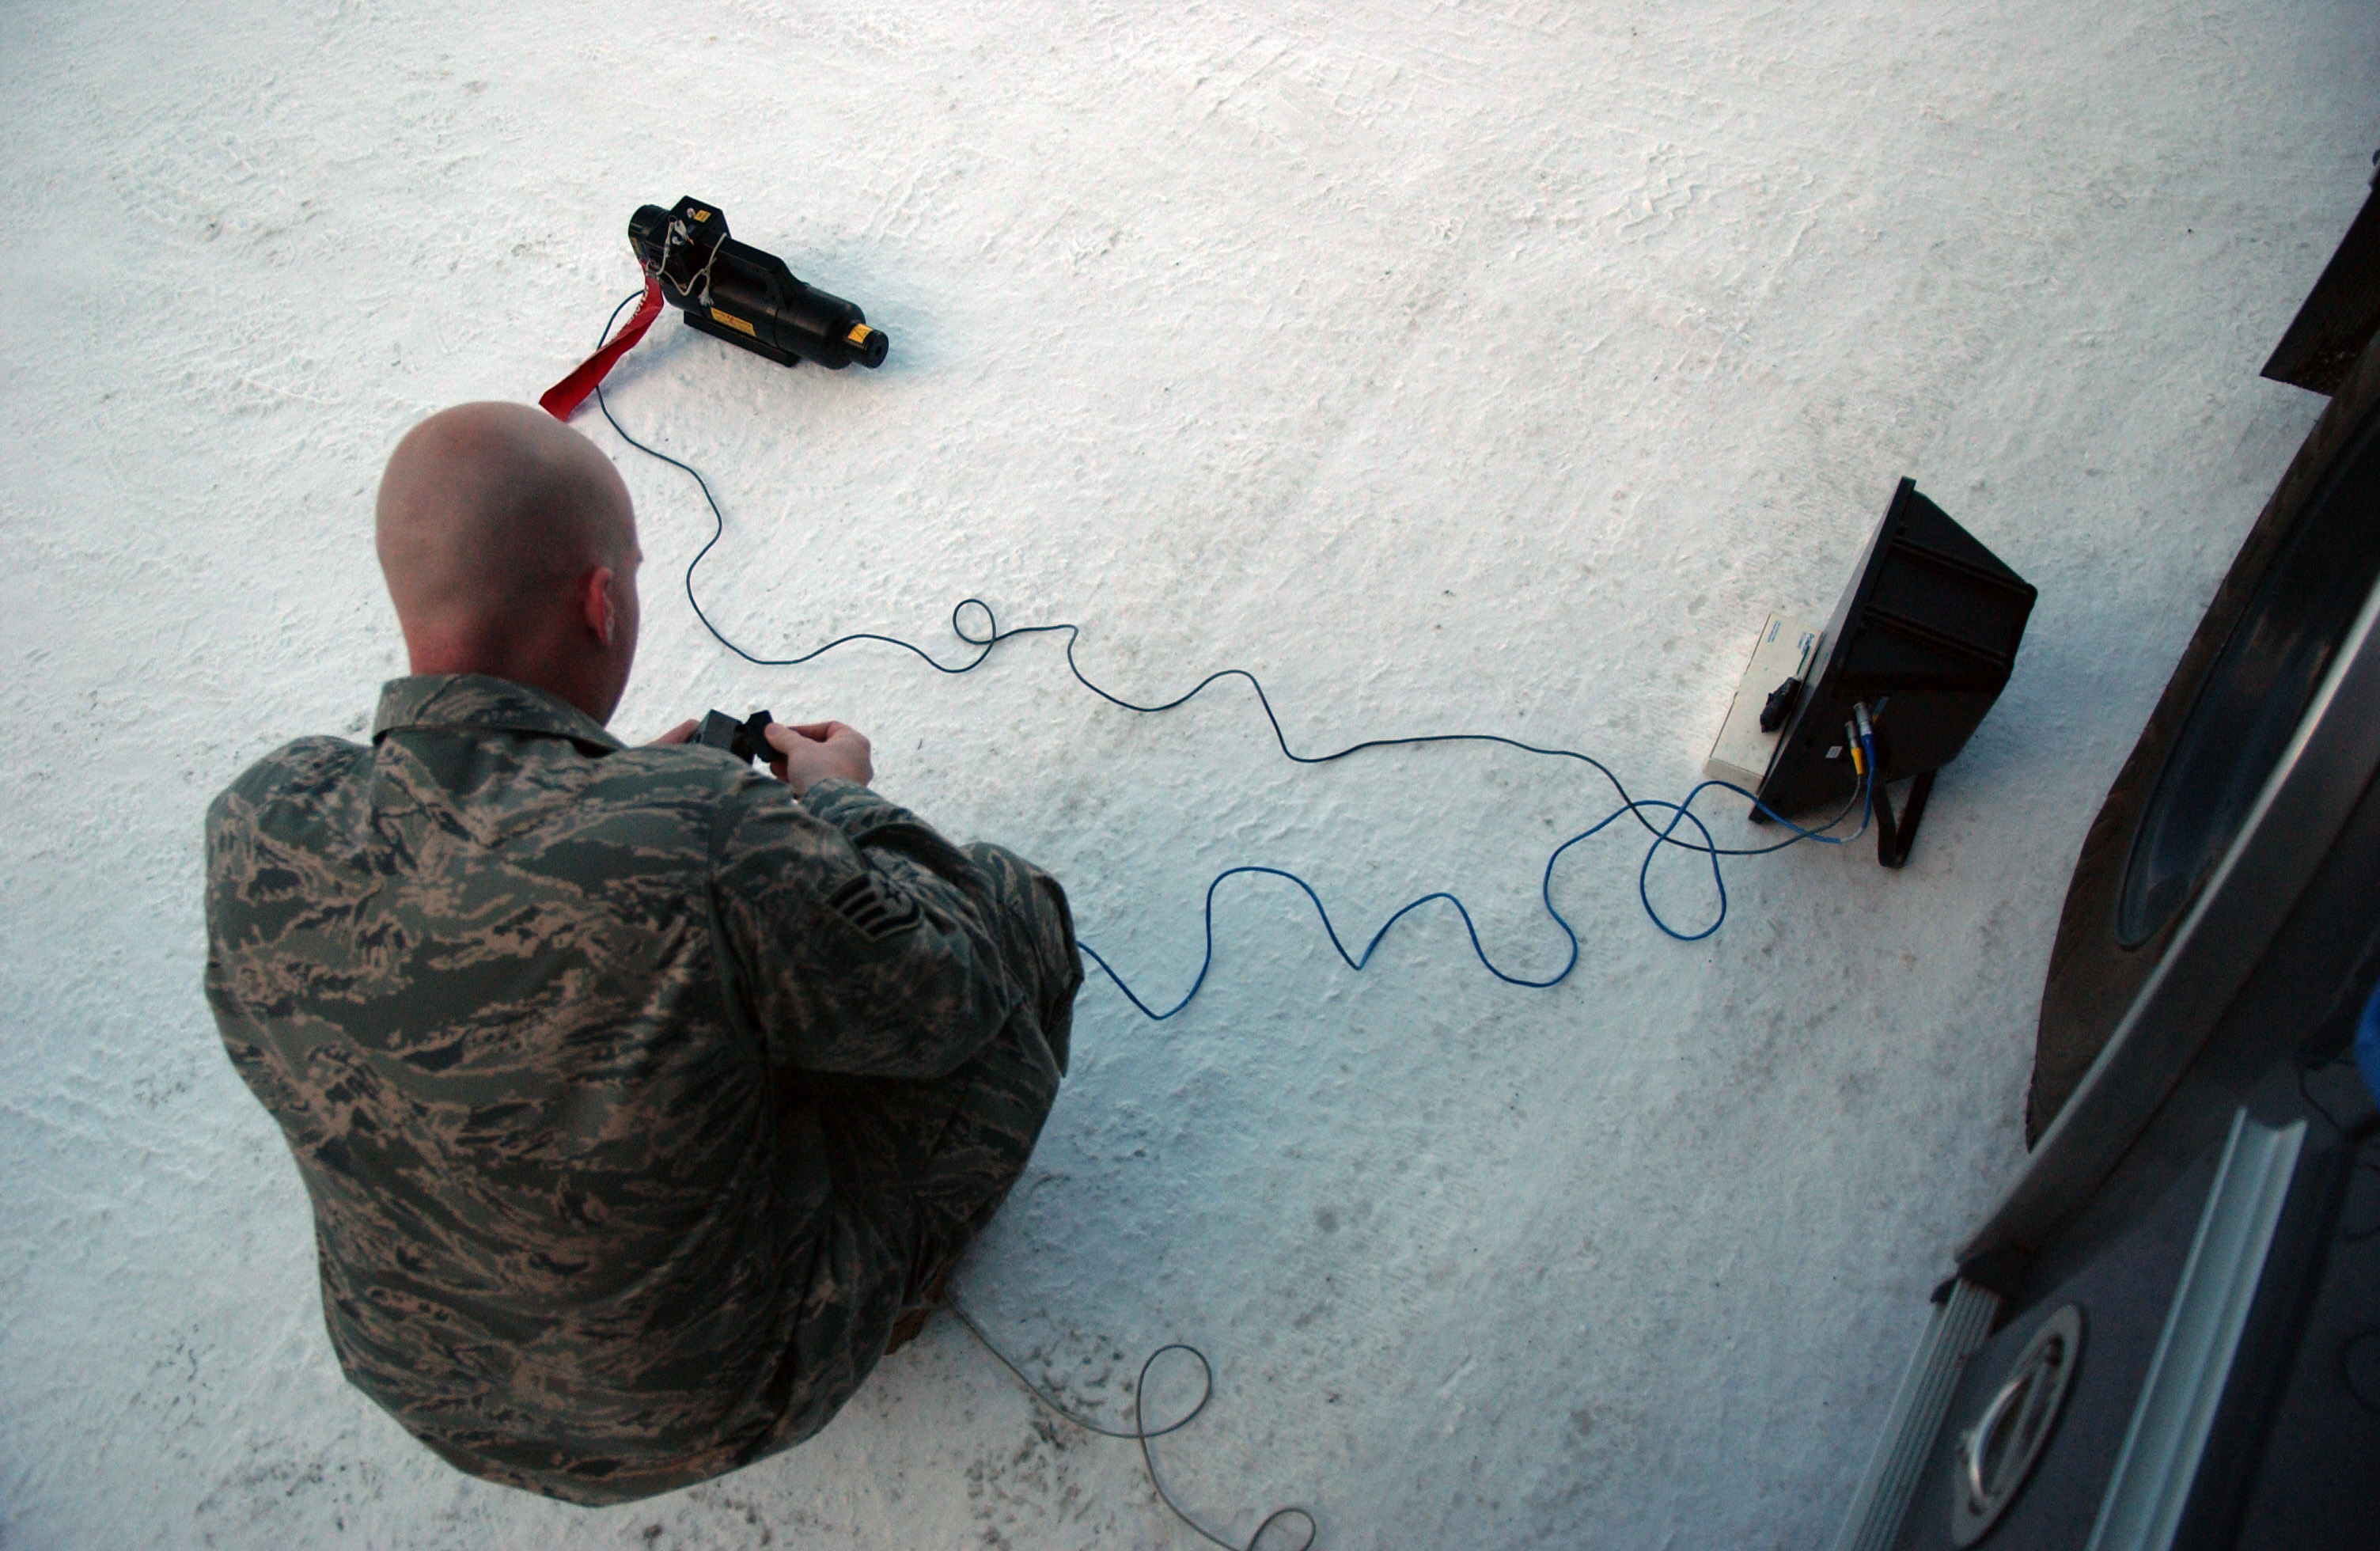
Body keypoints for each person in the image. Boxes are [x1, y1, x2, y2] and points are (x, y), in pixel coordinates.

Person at [202, 400, 1081, 1505]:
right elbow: (953, 985)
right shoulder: (700, 837)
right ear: (600, 602)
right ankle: (881, 1300)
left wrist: (608, 799)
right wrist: (844, 810)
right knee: (1016, 915)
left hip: (425, 1382)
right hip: (706, 1393)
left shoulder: (262, 821)